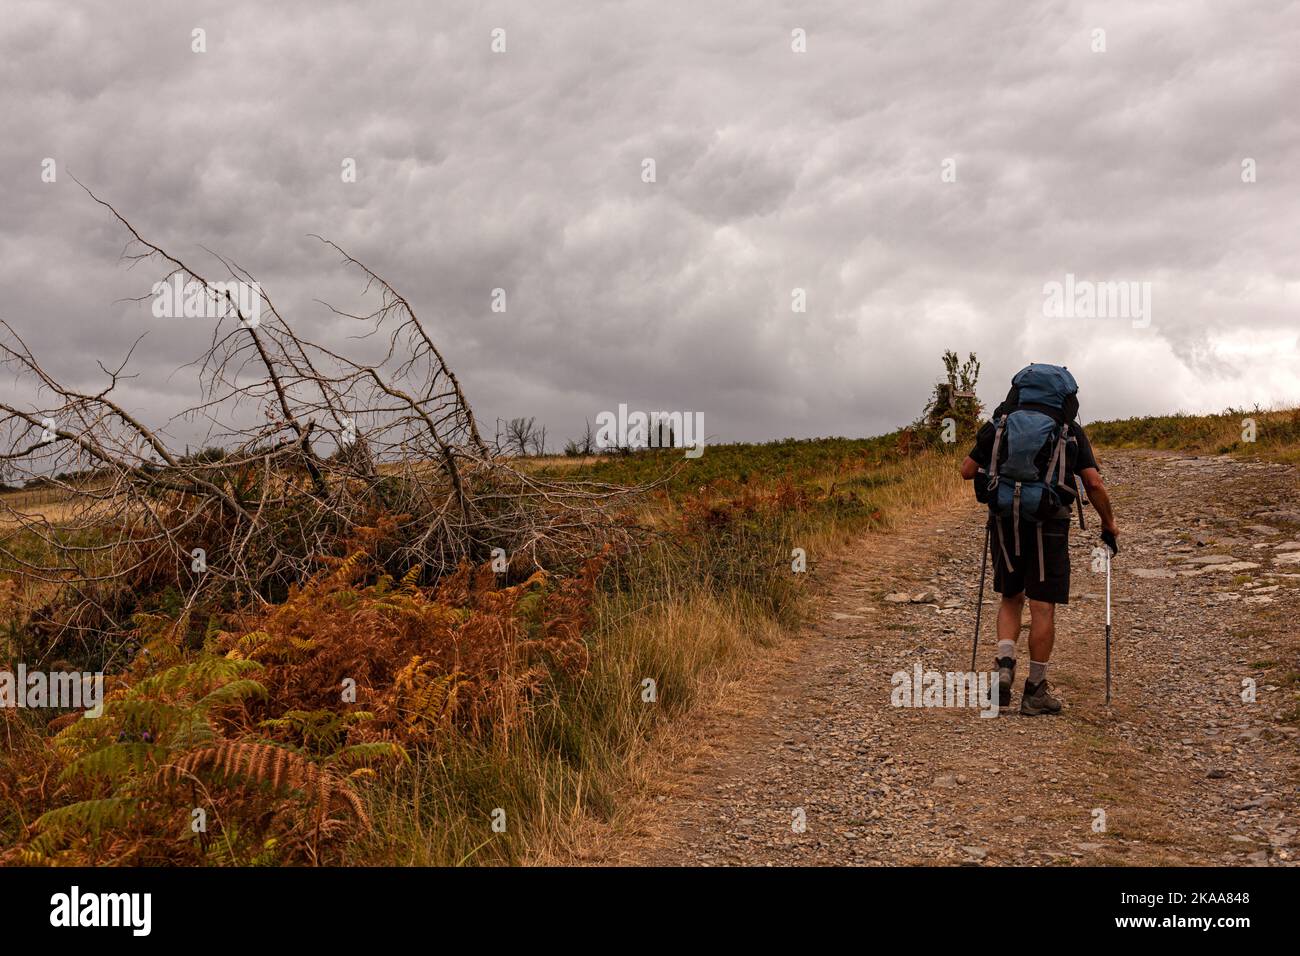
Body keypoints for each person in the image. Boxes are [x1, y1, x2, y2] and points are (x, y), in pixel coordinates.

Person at [959, 381, 1118, 715]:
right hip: (1050, 524)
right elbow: (1093, 483)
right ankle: (1034, 691)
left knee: (1010, 597)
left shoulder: (1000, 423)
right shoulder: (1068, 430)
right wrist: (1108, 524)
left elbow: (967, 470)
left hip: (1005, 521)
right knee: (1042, 606)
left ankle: (1004, 666)